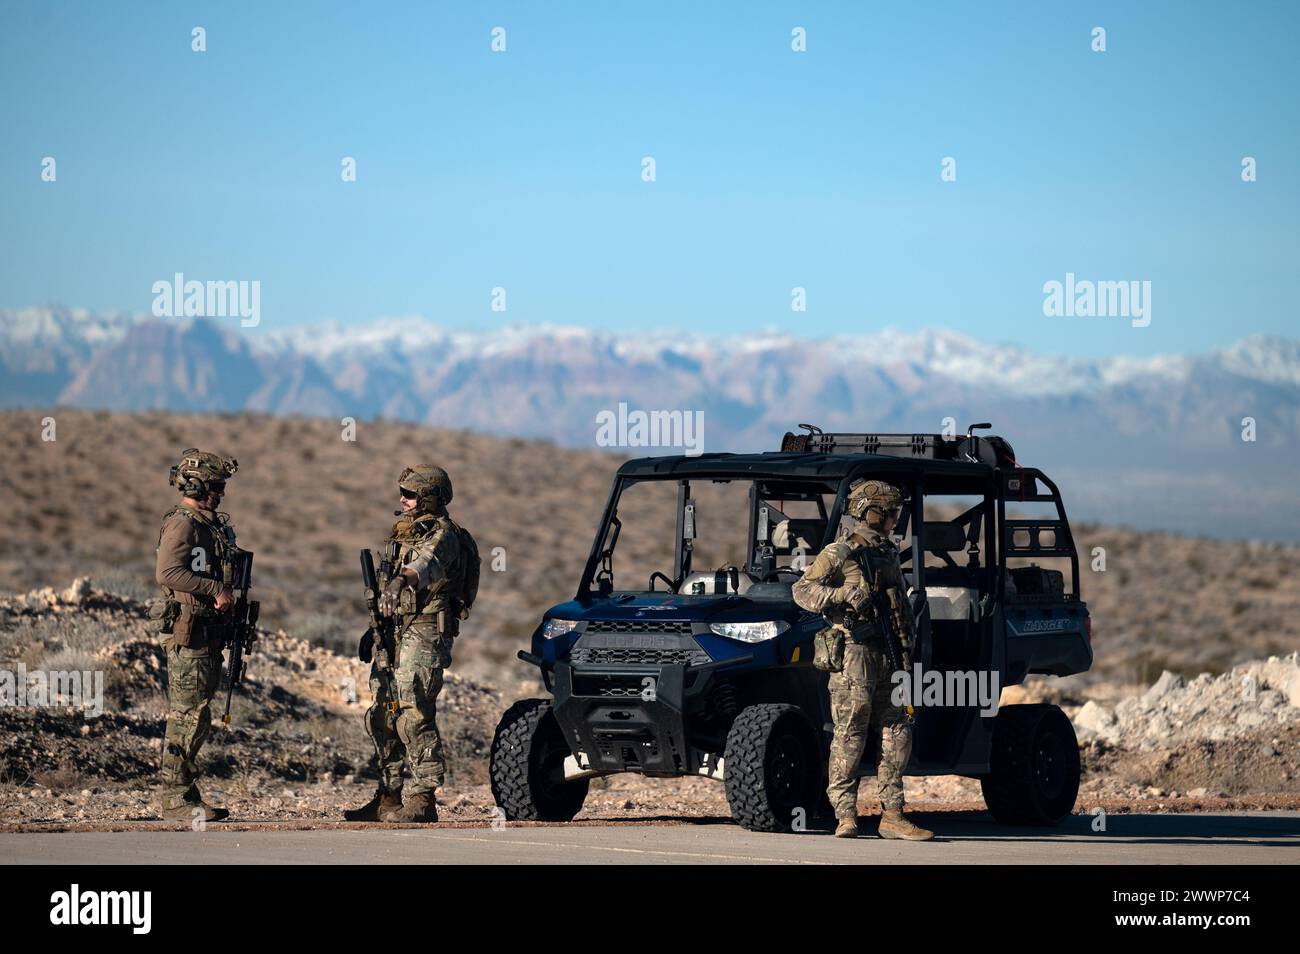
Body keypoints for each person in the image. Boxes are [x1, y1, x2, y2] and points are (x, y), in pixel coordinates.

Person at [792, 479, 934, 840]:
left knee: (897, 730)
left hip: (888, 654)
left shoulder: (886, 552)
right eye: (891, 513)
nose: (894, 520)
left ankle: (893, 815)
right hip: (853, 653)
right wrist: (844, 594)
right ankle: (845, 816)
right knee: (850, 733)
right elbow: (802, 590)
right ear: (873, 512)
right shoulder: (839, 552)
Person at [345, 464, 477, 823]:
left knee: (413, 714)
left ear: (431, 497)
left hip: (423, 633)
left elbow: (425, 565)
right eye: (401, 493)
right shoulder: (405, 532)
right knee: (383, 716)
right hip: (393, 632)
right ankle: (387, 796)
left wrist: (400, 582)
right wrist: (371, 631)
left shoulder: (444, 534)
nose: (403, 500)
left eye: (411, 494)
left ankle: (422, 800)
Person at [152, 448, 241, 822]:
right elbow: (168, 573)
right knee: (187, 716)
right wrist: (214, 589)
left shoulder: (208, 525)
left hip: (207, 632)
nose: (220, 493)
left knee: (197, 716)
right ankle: (176, 798)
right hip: (190, 633)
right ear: (199, 485)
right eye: (216, 485)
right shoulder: (183, 524)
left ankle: (185, 793)